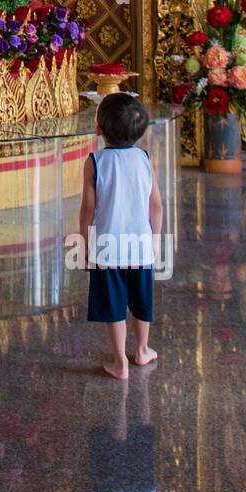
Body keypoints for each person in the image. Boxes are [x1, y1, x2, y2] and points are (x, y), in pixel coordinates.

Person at [79, 93, 164, 381]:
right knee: (142, 301)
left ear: (99, 129)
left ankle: (119, 363)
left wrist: (85, 245)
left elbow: (88, 210)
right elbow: (156, 206)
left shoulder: (95, 162)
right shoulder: (144, 158)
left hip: (107, 247)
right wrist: (155, 239)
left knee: (114, 305)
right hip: (140, 245)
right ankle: (141, 350)